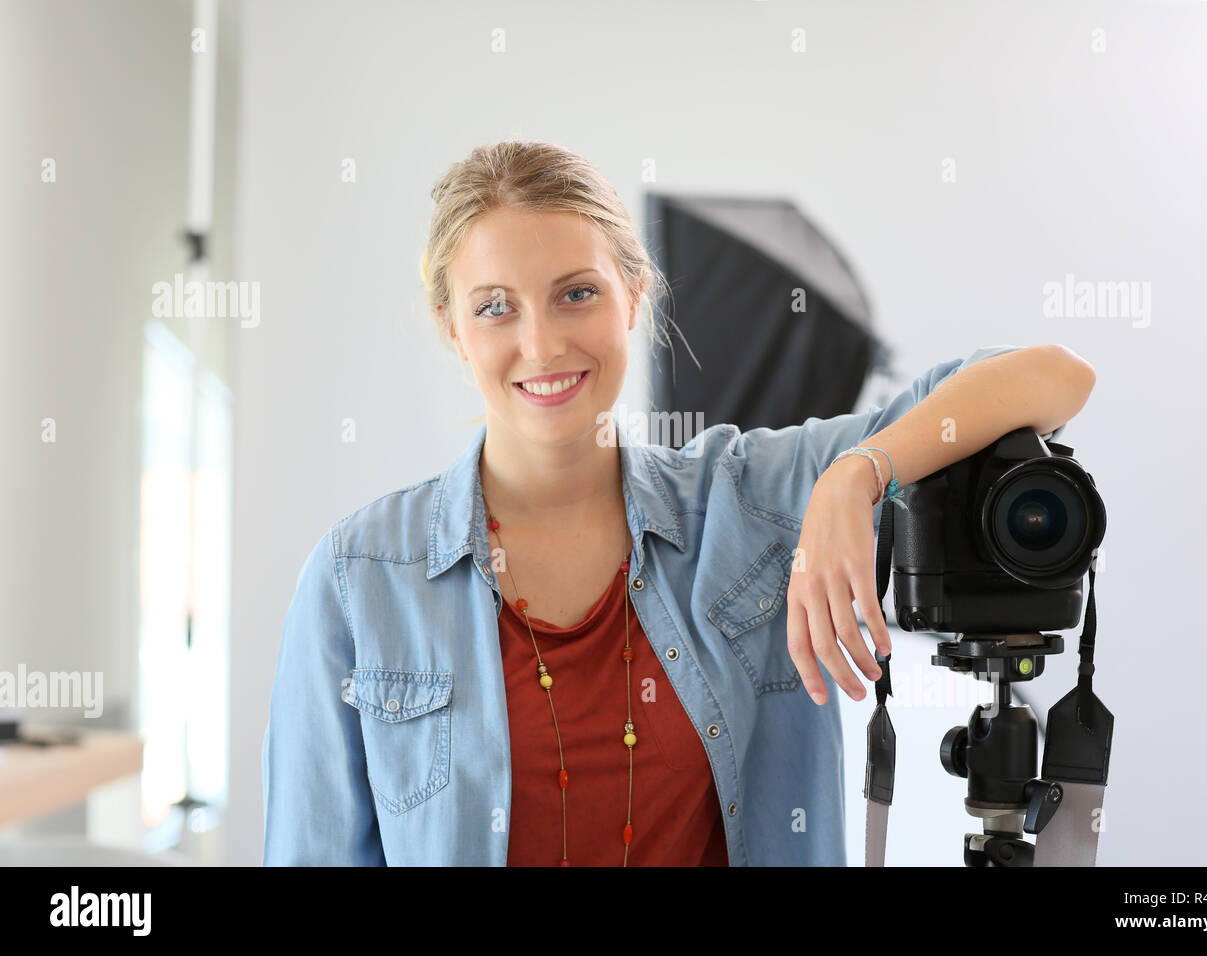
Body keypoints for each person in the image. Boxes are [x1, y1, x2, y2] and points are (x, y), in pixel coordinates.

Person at [262, 140, 1096, 866]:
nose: (542, 343)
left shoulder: (749, 502)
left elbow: (1054, 376)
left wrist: (859, 472)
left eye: (576, 293)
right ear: (453, 327)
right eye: (495, 308)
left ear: (634, 293)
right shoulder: (358, 579)